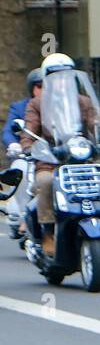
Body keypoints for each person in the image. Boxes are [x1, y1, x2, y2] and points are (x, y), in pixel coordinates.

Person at [19, 54, 99, 258]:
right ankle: (47, 232)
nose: (60, 80)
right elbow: (29, 130)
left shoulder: (83, 101)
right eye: (55, 75)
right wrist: (29, 146)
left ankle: (98, 223)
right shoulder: (37, 104)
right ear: (47, 78)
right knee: (45, 182)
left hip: (80, 161)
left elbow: (96, 127)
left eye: (65, 75)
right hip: (51, 161)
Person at [4, 68, 41, 239]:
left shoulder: (61, 108)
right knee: (21, 170)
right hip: (29, 156)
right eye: (40, 86)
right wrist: (14, 144)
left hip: (56, 156)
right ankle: (25, 216)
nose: (44, 90)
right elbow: (8, 131)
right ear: (32, 88)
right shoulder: (20, 108)